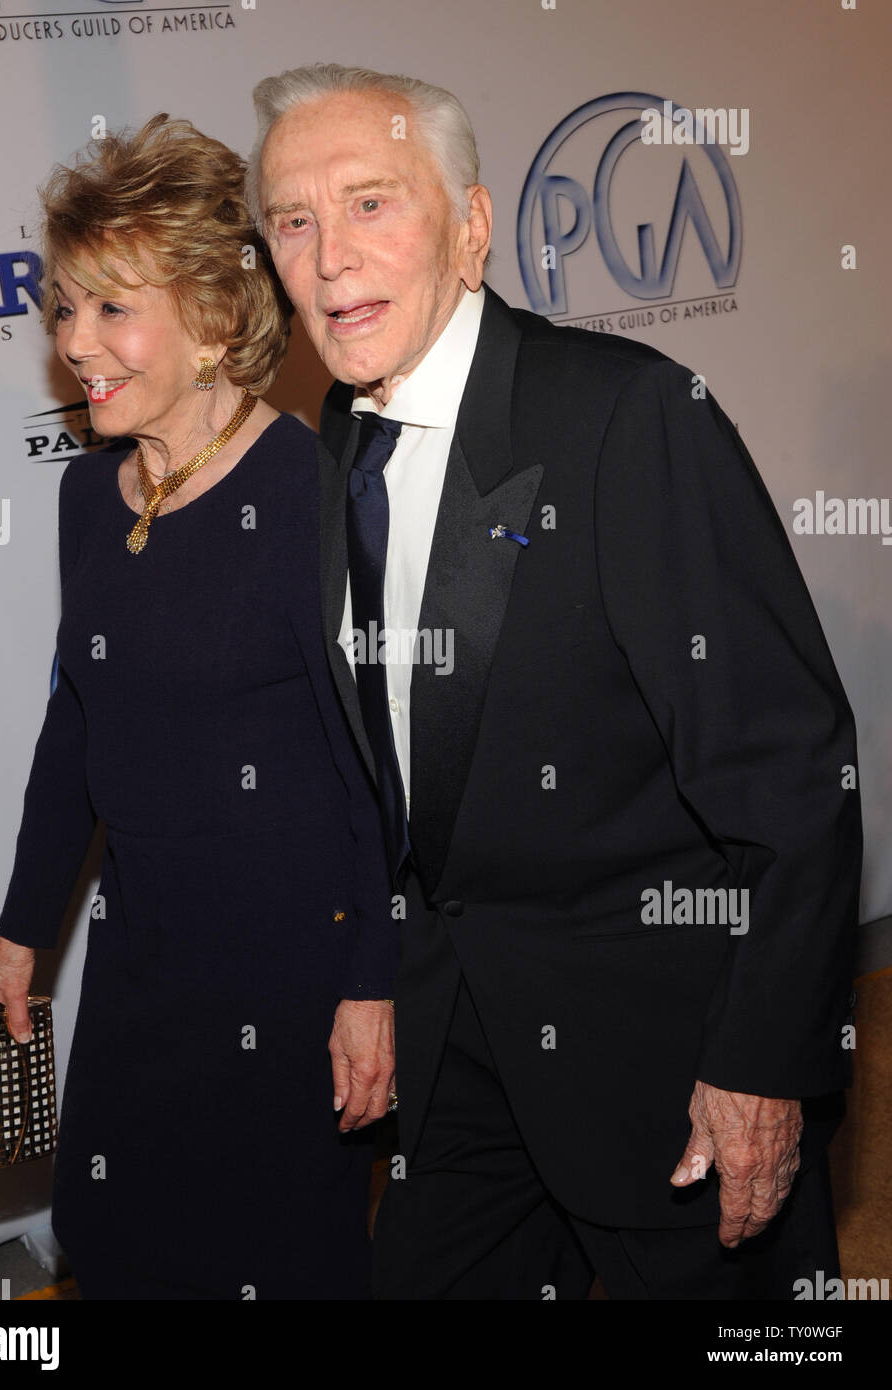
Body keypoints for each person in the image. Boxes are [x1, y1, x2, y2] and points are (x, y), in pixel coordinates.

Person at [246, 63, 863, 1300]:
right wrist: (379, 978)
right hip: (462, 1056)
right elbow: (408, 773)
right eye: (294, 221)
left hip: (665, 1071)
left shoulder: (625, 418)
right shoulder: (342, 440)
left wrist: (761, 1064)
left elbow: (793, 768)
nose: (328, 256)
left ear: (471, 228)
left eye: (371, 203)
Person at [0, 113, 397, 1300]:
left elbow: (378, 779)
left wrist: (374, 987)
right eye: (65, 306)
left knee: (275, 1263)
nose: (75, 343)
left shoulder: (311, 499)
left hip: (294, 973)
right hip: (143, 963)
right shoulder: (93, 499)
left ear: (213, 322)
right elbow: (78, 726)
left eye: (111, 307)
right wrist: (20, 930)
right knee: (113, 1245)